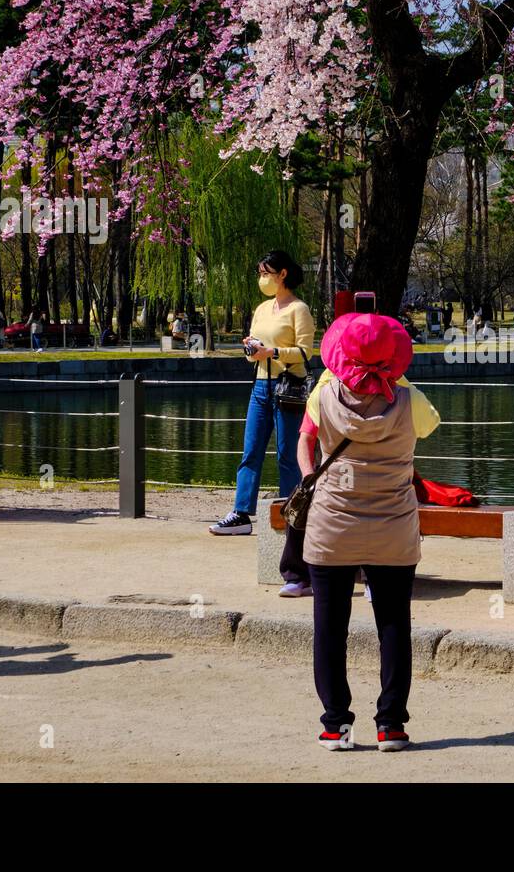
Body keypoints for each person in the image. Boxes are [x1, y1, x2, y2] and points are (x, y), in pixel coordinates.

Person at [298, 312, 439, 752]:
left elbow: (305, 441)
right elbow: (430, 422)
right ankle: (391, 725)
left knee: (329, 627)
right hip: (393, 528)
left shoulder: (322, 397)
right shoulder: (410, 401)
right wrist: (397, 377)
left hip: (332, 526)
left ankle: (335, 725)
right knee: (394, 625)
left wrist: (310, 478)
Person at [210, 250, 315, 536]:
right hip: (260, 385)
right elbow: (252, 351)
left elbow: (306, 353)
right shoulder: (261, 309)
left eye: (266, 273)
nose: (262, 278)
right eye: (260, 273)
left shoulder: (299, 309)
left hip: (289, 387)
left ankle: (290, 512)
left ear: (283, 274)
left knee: (287, 455)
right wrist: (252, 349)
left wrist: (274, 352)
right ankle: (241, 513)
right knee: (251, 451)